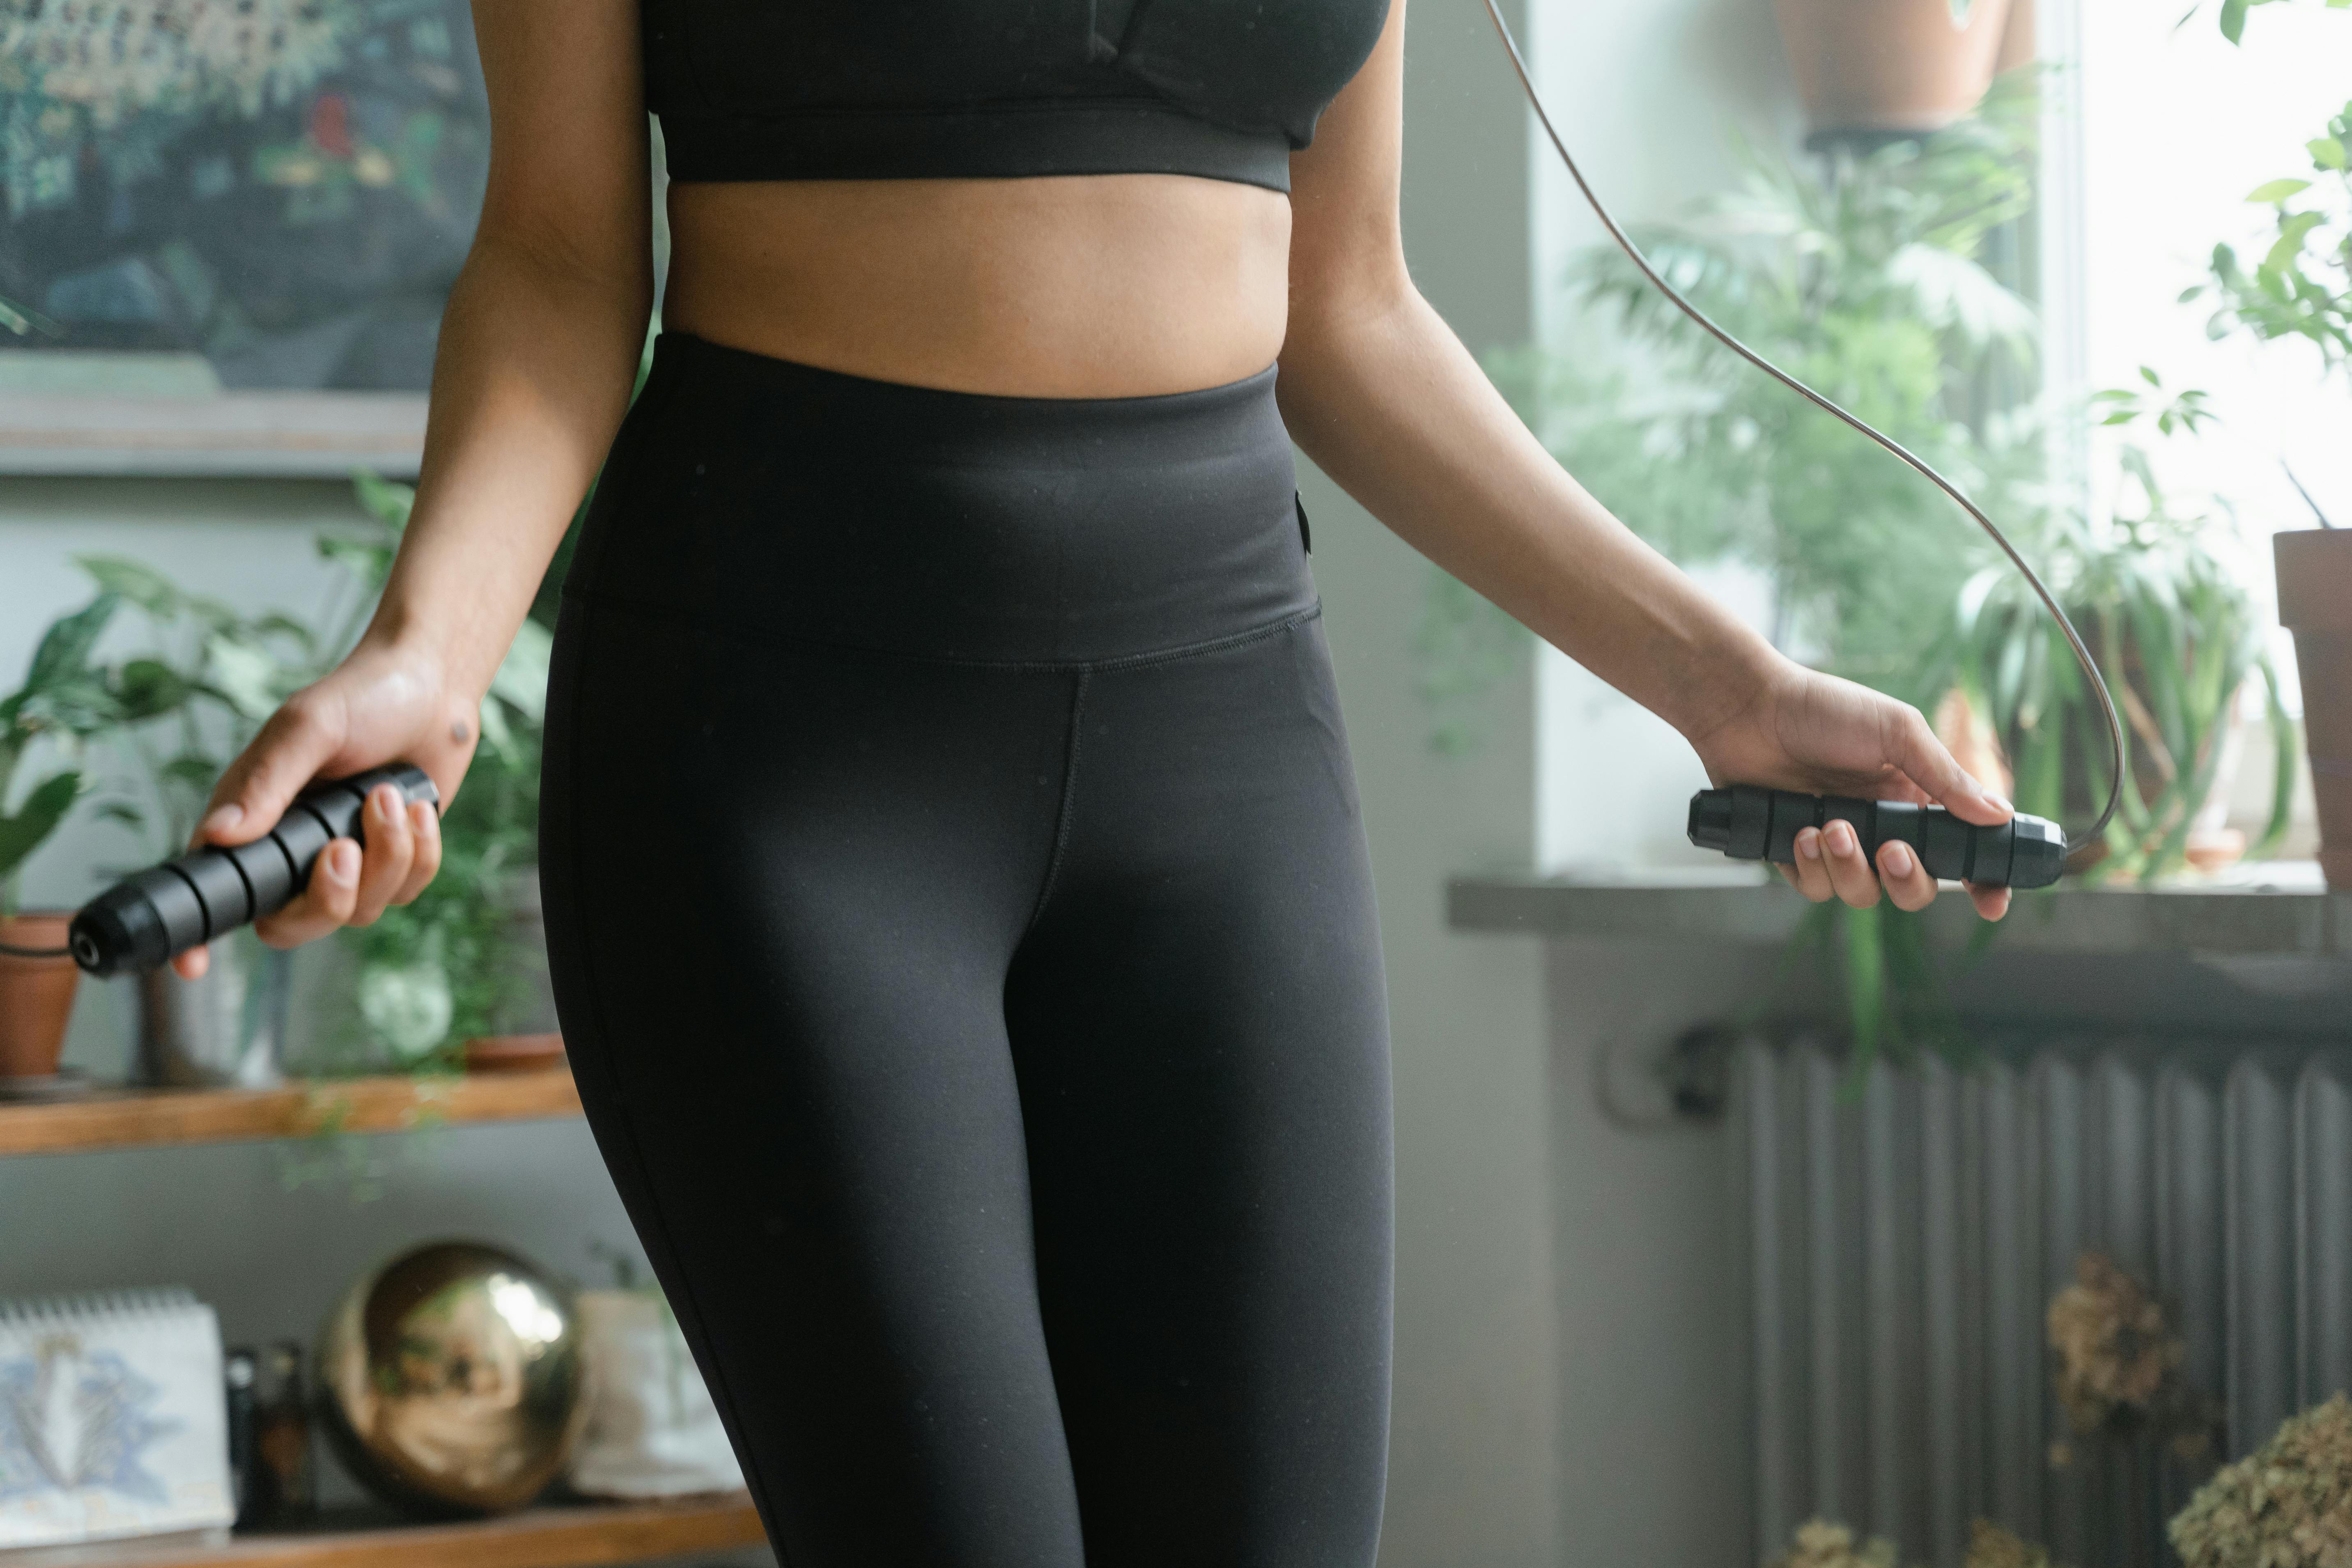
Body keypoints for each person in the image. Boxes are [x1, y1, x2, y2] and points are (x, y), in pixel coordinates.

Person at [178, 0, 2015, 1561]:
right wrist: (430, 650)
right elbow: (567, 258)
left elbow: (1349, 307)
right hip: (783, 756)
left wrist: (1729, 689)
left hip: (1223, 756)